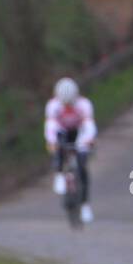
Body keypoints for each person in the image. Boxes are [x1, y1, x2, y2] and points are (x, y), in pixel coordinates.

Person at [45, 77, 97, 223]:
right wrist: (52, 142)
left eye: (70, 103)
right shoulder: (53, 106)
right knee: (59, 146)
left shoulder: (84, 104)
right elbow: (51, 127)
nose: (67, 106)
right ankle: (59, 173)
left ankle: (85, 205)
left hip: (79, 132)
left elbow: (89, 125)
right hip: (63, 132)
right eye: (65, 103)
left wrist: (89, 140)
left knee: (82, 167)